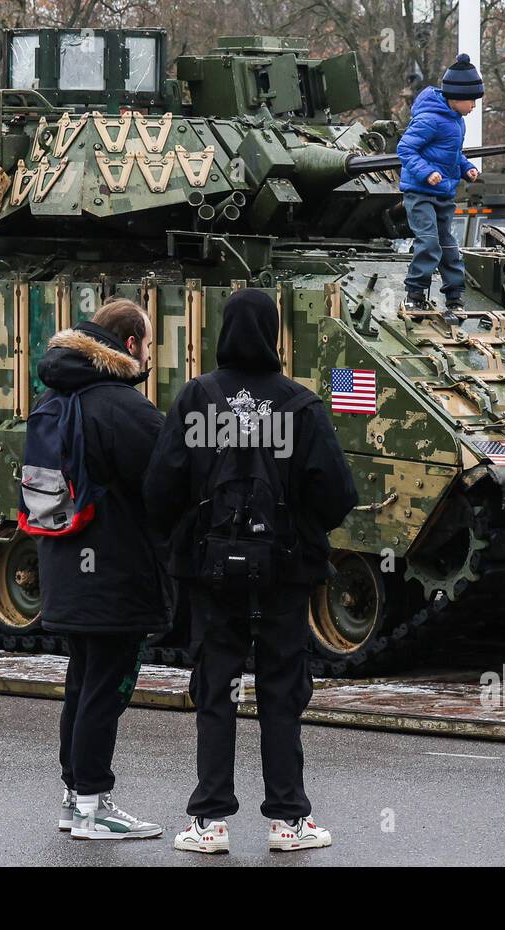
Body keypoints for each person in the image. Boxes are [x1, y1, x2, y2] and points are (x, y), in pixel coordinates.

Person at [143, 288, 358, 854]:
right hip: (284, 572)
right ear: (275, 333)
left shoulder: (196, 399)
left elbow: (160, 489)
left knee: (215, 688)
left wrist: (188, 538)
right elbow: (338, 494)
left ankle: (209, 821)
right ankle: (289, 820)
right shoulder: (301, 405)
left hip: (211, 572)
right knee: (283, 690)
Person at [35, 298, 168, 840]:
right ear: (131, 345)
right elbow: (166, 485)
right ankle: (94, 806)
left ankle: (74, 799)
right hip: (116, 571)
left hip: (66, 563)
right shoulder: (122, 408)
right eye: (148, 344)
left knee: (82, 682)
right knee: (106, 689)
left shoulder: (53, 399)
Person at [396, 53, 483, 320]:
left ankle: (454, 296)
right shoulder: (430, 119)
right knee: (429, 242)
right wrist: (427, 173)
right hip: (421, 193)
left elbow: (451, 154)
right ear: (456, 98)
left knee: (449, 246)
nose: (474, 106)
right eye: (472, 101)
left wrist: (465, 167)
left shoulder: (456, 121)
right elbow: (405, 149)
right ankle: (415, 295)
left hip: (443, 194)